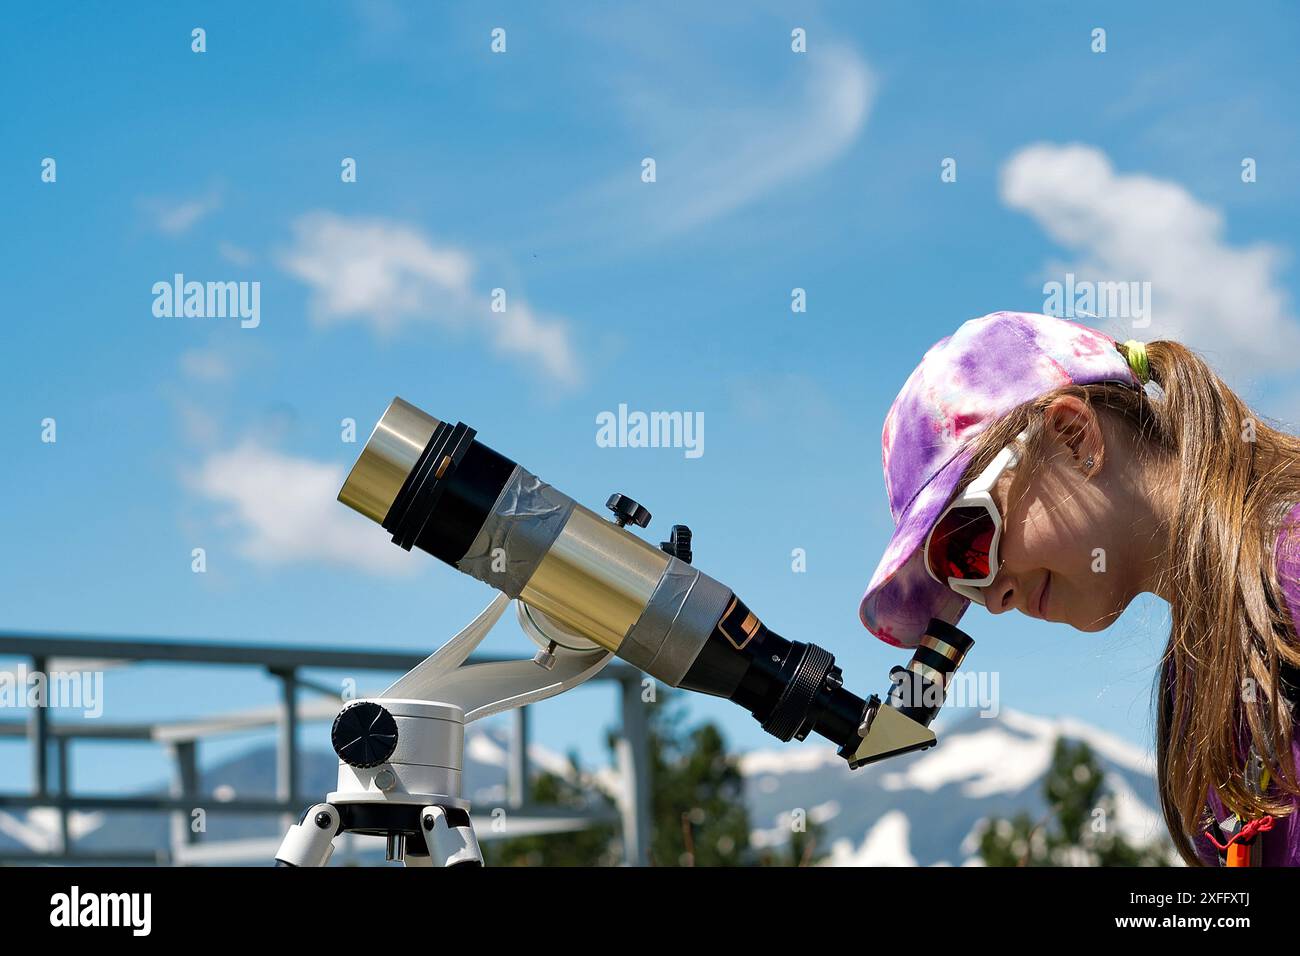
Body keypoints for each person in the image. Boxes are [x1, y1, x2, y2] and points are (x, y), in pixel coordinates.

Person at [859, 310, 1300, 866]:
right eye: (959, 578)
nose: (993, 600)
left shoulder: (1292, 577)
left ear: (1073, 437)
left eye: (968, 544)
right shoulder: (1197, 682)